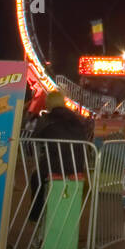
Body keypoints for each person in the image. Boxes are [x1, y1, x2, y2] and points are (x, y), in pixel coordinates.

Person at [26, 91, 94, 223]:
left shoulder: (46, 118)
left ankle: (36, 214)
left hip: (55, 165)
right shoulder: (77, 119)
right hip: (77, 165)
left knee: (36, 178)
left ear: (49, 103)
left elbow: (35, 138)